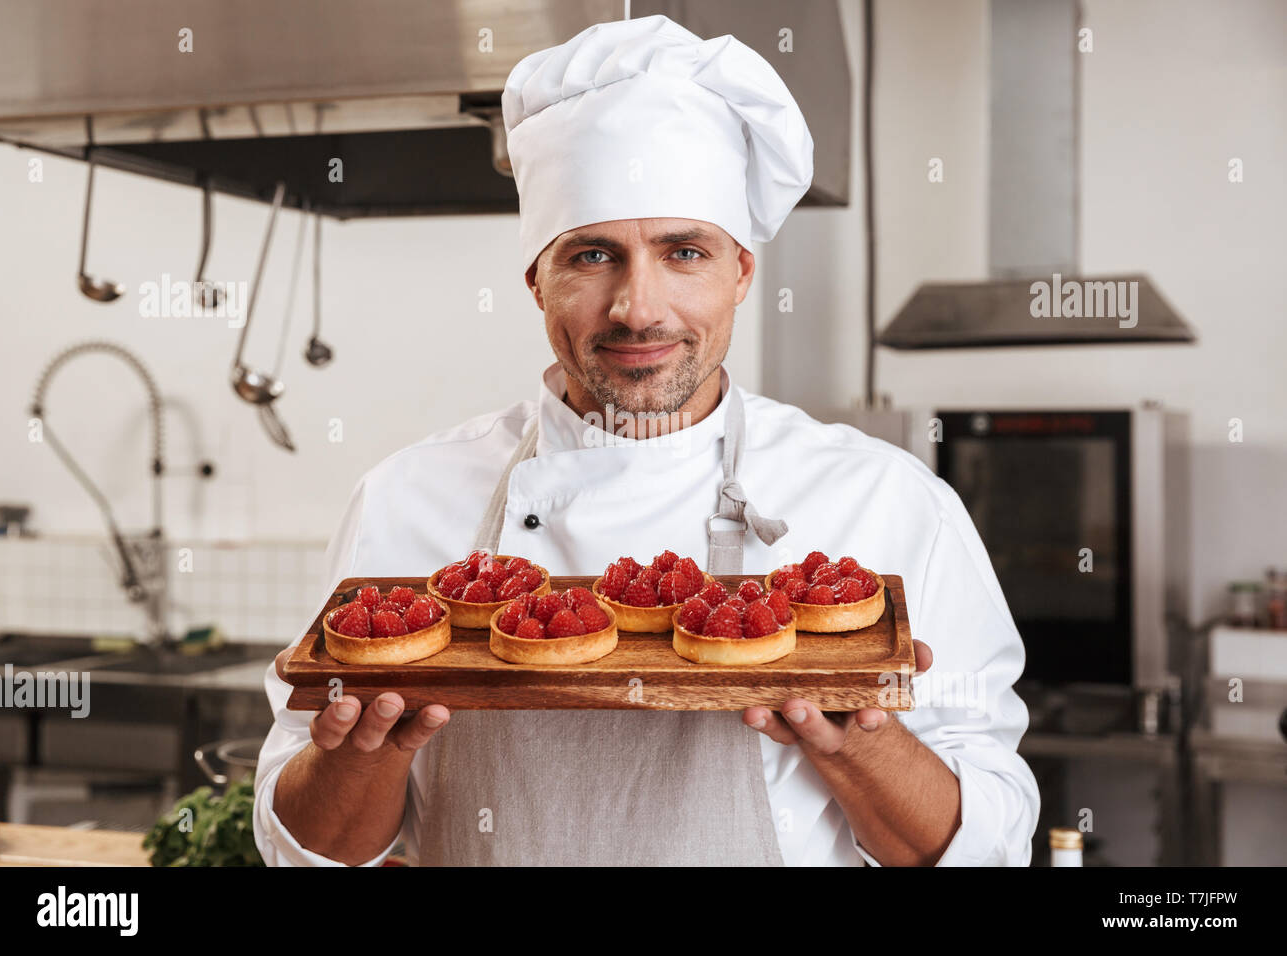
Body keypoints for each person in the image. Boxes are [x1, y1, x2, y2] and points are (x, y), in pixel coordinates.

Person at [254, 13, 1039, 867]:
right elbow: (307, 850)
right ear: (536, 281)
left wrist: (856, 740)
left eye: (683, 252)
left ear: (741, 271)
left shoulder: (887, 502)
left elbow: (988, 843)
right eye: (593, 256)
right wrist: (367, 755)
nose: (639, 308)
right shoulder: (408, 499)